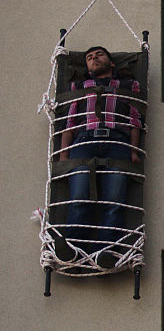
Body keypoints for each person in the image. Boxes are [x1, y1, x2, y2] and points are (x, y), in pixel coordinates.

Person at [58, 46, 143, 257]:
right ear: (86, 67)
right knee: (79, 199)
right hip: (84, 140)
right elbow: (69, 121)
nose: (94, 58)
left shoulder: (128, 85)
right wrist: (63, 153)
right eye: (89, 57)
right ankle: (74, 251)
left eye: (99, 55)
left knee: (113, 202)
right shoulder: (79, 86)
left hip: (118, 142)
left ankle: (105, 251)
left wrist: (133, 150)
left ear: (111, 63)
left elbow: (135, 119)